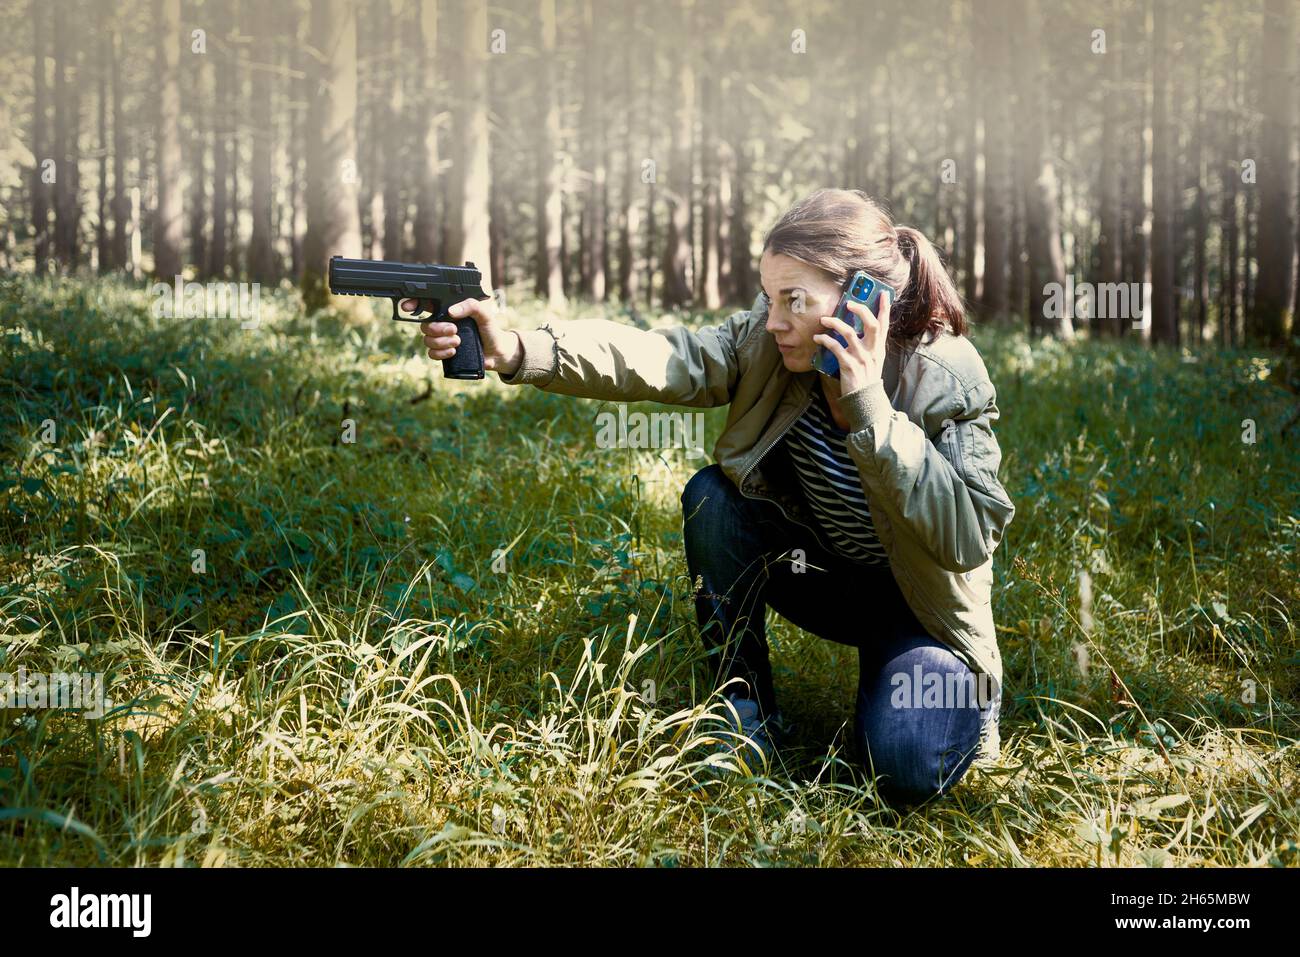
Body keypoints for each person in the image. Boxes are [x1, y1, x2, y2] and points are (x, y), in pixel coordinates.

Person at [402, 188, 1016, 805]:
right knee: (713, 498)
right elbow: (661, 356)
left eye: (793, 301)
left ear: (863, 302)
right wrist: (517, 349)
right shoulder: (769, 341)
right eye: (770, 297)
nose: (773, 320)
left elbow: (968, 538)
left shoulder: (947, 375)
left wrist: (871, 412)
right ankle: (742, 715)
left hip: (918, 607)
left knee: (905, 773)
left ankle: (928, 692)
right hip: (820, 575)